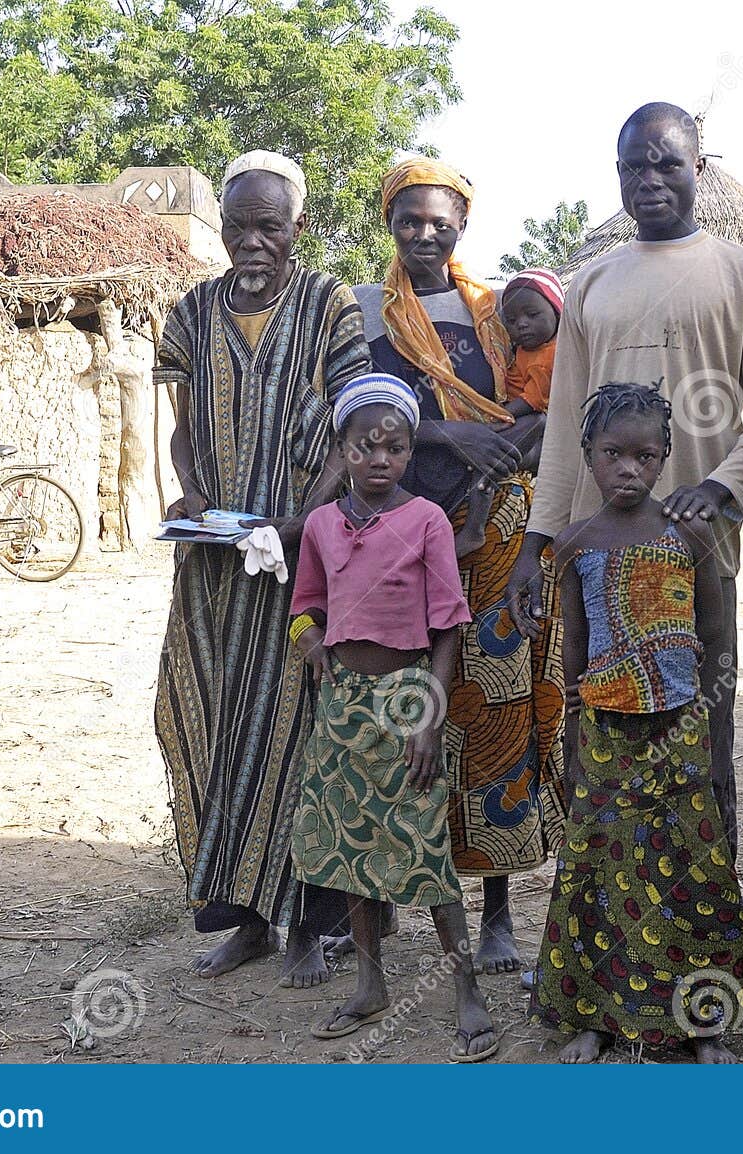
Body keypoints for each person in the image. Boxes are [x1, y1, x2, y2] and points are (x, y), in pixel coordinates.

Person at [506, 102, 743, 859]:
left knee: (704, 733)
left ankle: (707, 909)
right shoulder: (591, 284)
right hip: (598, 555)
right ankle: (613, 913)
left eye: (667, 163)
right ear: (618, 174)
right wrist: (536, 543)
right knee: (602, 732)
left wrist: (721, 492)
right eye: (635, 165)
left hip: (699, 552)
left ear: (698, 167)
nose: (651, 178)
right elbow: (564, 427)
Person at [154, 151, 369, 987]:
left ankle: (309, 923)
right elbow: (183, 424)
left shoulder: (329, 305)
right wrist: (193, 493)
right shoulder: (192, 311)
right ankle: (242, 919)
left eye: (268, 226)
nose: (251, 241)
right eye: (237, 225)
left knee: (303, 734)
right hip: (213, 571)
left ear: (296, 228)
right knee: (210, 722)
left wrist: (303, 516)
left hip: (301, 564)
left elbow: (351, 430)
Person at [350, 159, 565, 976]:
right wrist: (446, 435)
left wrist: (507, 441)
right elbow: (353, 416)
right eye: (409, 219)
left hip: (493, 526)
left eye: (440, 222)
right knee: (397, 712)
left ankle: (498, 912)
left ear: (463, 226)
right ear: (389, 221)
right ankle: (387, 898)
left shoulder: (498, 312)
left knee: (494, 709)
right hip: (394, 526)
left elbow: (544, 401)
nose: (424, 234)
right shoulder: (365, 312)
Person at [530, 383, 743, 1064]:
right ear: (588, 455)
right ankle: (594, 1015)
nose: (628, 469)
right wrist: (574, 741)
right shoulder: (574, 544)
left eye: (644, 456)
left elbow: (714, 634)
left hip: (678, 728)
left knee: (692, 869)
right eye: (613, 454)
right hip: (605, 732)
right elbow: (576, 649)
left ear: (665, 457)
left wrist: (711, 734)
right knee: (598, 867)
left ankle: (704, 1024)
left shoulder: (688, 533)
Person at [286, 373, 498, 1062]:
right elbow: (304, 604)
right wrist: (311, 643)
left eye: (396, 448)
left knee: (423, 846)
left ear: (409, 451)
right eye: (365, 447)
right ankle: (370, 984)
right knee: (352, 848)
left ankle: (466, 989)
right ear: (343, 450)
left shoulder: (427, 520)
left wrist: (429, 717)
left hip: (408, 697)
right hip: (342, 704)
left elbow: (448, 625)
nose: (381, 459)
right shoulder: (321, 526)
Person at [453, 267, 562, 557]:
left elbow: (533, 401)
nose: (522, 324)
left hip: (537, 429)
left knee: (490, 457)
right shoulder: (524, 350)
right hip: (523, 424)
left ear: (556, 311)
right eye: (512, 320)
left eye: (532, 315)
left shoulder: (550, 356)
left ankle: (474, 530)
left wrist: (495, 418)